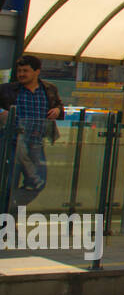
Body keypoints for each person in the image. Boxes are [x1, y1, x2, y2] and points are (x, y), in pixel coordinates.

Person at [0, 54, 65, 205]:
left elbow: (59, 107)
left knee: (38, 182)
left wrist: (57, 110)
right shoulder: (7, 89)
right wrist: (1, 112)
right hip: (12, 142)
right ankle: (6, 213)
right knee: (8, 182)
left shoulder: (49, 89)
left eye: (25, 71)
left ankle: (11, 209)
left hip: (35, 142)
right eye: (19, 71)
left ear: (37, 72)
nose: (21, 74)